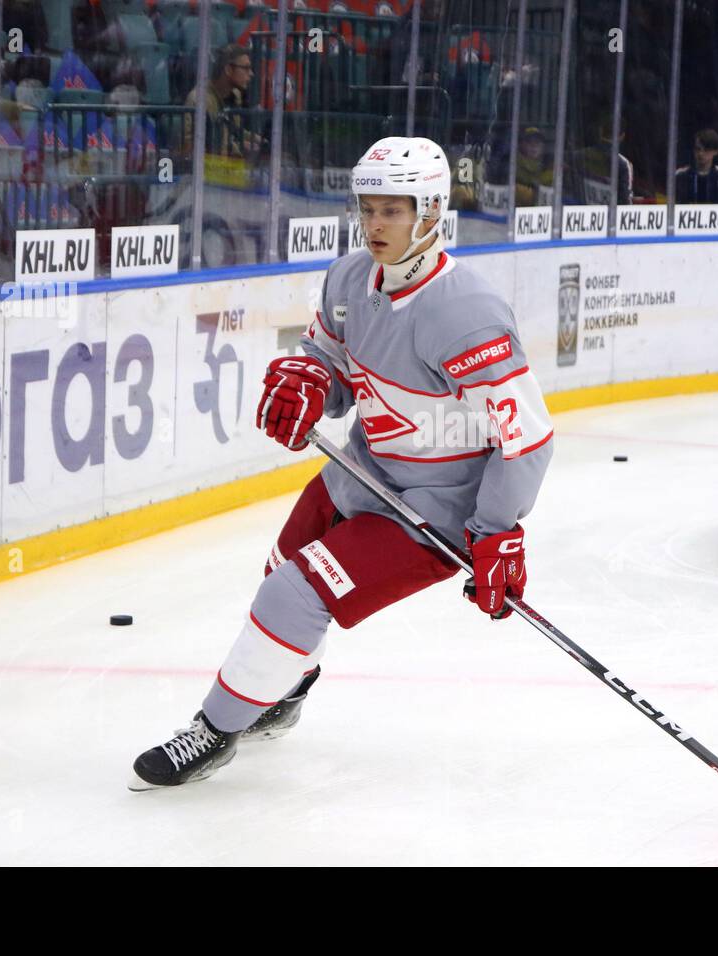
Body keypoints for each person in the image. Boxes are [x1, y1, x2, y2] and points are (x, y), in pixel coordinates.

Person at [130, 136, 555, 790]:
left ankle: (213, 732)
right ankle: (283, 692)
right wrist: (308, 381)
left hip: (433, 510)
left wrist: (497, 529)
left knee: (293, 591)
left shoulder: (466, 311)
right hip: (361, 473)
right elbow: (330, 364)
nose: (376, 224)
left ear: (432, 212)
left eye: (395, 209)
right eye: (369, 208)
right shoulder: (351, 278)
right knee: (279, 571)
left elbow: (525, 435)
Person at [184, 44, 261, 162]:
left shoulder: (235, 95)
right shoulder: (198, 99)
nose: (251, 74)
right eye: (246, 68)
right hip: (210, 169)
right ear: (229, 70)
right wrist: (239, 146)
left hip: (232, 166)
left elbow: (235, 130)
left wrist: (258, 140)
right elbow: (190, 144)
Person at [675, 128, 718, 204]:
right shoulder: (680, 175)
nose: (701, 153)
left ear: (716, 151)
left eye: (706, 150)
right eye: (698, 149)